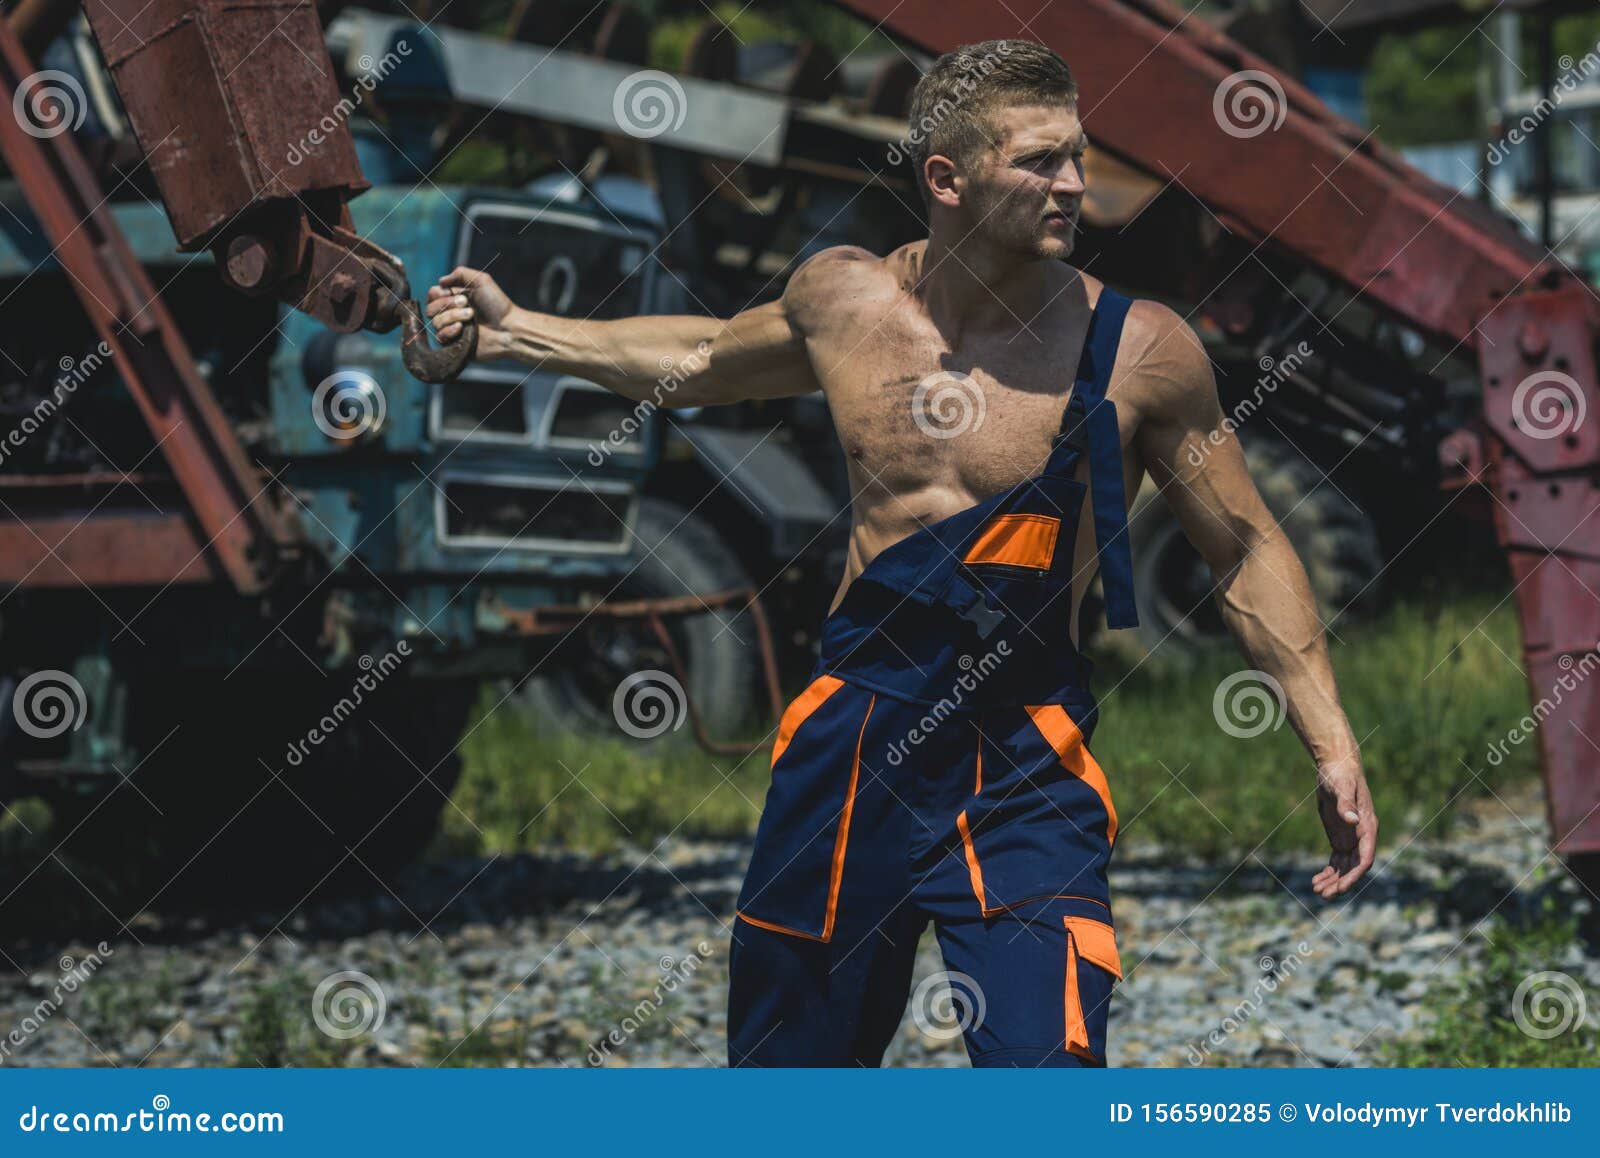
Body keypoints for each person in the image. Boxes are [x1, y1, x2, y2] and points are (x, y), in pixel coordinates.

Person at [426, 38, 1376, 1068]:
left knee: (1046, 1072)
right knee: (792, 1081)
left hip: (1025, 756)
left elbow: (1241, 548)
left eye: (1077, 156)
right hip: (852, 741)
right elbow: (695, 361)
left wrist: (1328, 742)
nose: (1075, 185)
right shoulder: (843, 302)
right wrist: (519, 334)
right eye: (1040, 162)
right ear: (945, 177)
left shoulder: (1141, 351)